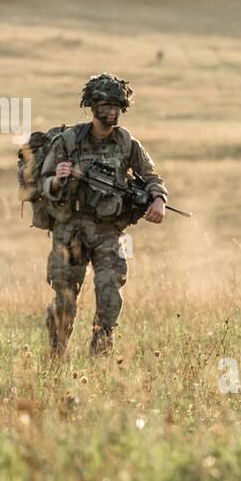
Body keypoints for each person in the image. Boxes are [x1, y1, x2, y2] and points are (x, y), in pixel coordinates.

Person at [38, 74, 166, 357]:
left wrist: (158, 199)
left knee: (109, 295)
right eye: (107, 105)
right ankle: (55, 360)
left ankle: (100, 359)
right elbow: (43, 185)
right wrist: (58, 180)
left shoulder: (125, 142)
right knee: (65, 300)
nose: (112, 111)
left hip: (108, 231)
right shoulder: (69, 141)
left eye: (117, 106)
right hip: (70, 230)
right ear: (93, 106)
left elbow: (151, 176)